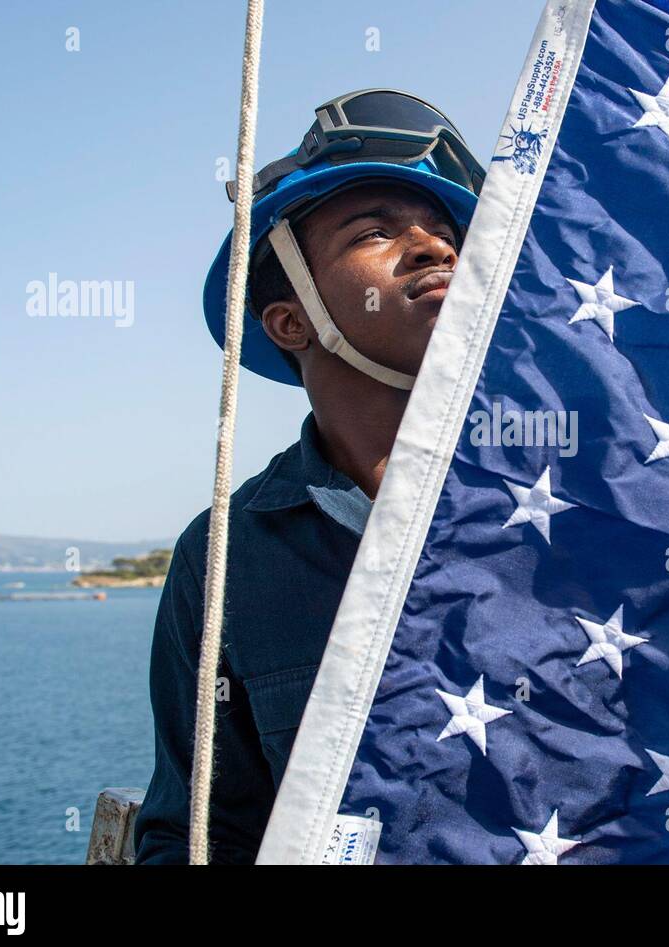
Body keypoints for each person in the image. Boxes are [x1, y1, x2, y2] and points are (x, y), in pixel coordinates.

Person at [133, 89, 485, 863]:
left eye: (447, 231)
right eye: (377, 231)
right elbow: (200, 833)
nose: (435, 248)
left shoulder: (582, 498)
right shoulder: (226, 558)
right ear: (290, 321)